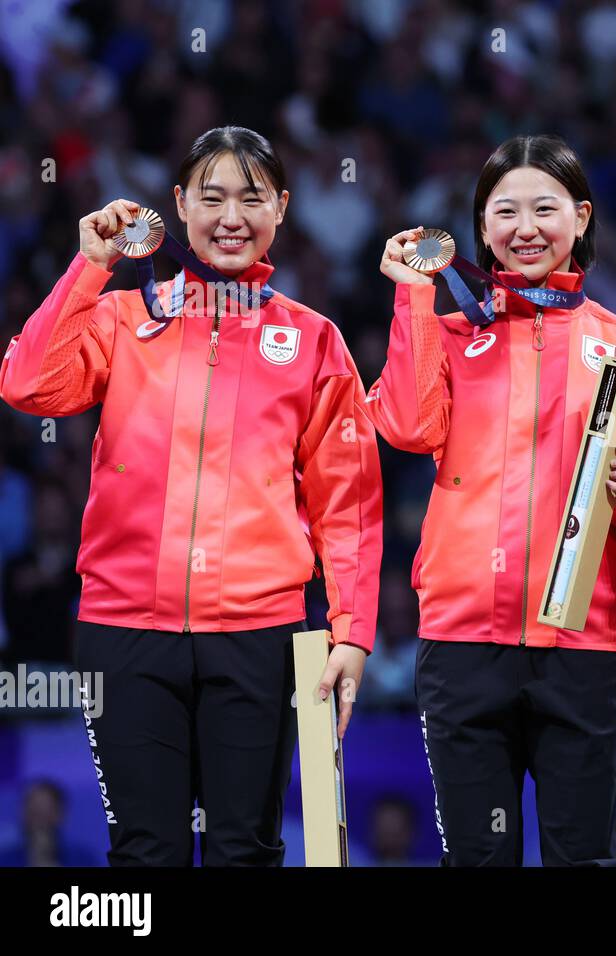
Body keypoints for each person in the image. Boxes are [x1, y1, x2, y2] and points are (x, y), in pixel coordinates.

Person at [0, 126, 383, 866]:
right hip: (123, 627)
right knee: (146, 854)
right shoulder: (120, 317)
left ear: (282, 209)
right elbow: (27, 384)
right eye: (211, 197)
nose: (231, 216)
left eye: (252, 198)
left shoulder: (313, 341)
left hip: (260, 632)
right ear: (178, 206)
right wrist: (89, 268)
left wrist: (352, 631)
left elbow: (349, 504)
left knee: (246, 850)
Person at [367, 134, 616, 866]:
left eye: (546, 208)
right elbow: (410, 428)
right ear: (482, 229)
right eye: (504, 212)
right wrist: (414, 295)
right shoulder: (446, 336)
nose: (525, 228)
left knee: (586, 858)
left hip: (586, 642)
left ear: (580, 217)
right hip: (462, 639)